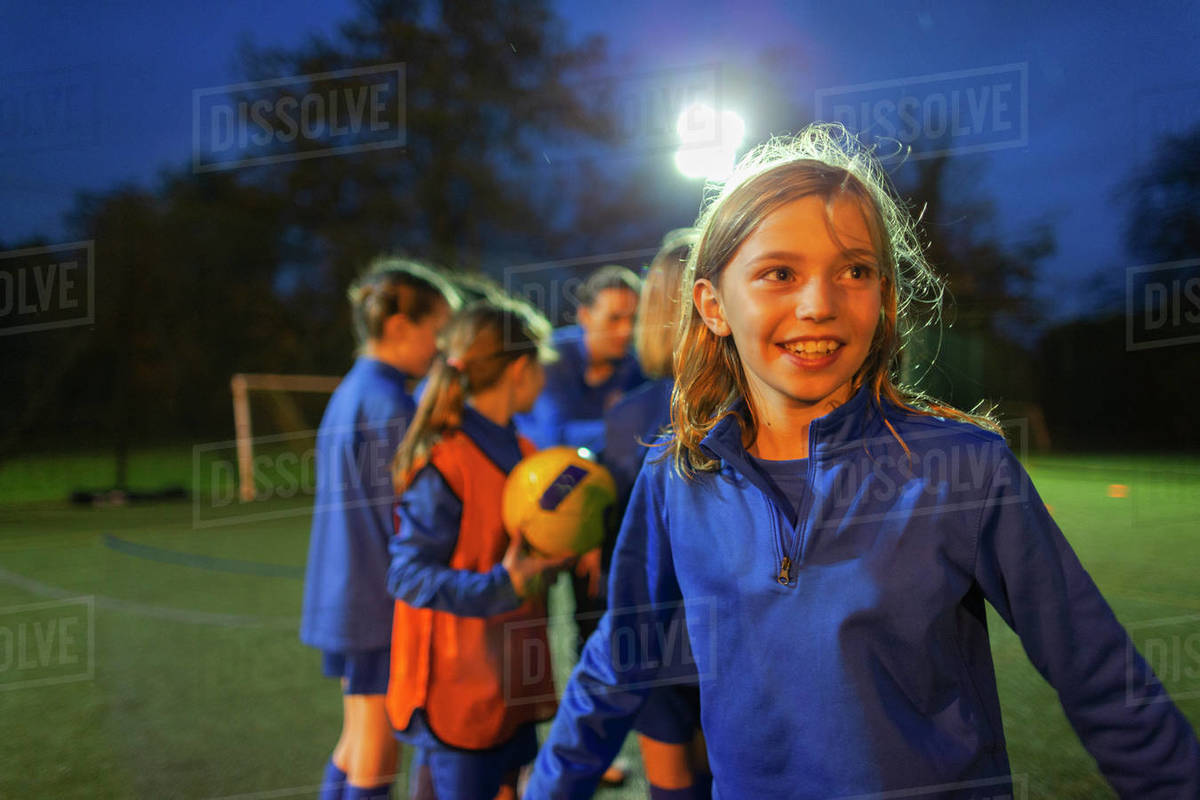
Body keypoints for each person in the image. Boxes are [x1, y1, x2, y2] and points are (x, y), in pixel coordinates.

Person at [524, 124, 1200, 798]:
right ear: (712, 304)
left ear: (884, 296)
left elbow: (1101, 677)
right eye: (778, 273)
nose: (819, 305)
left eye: (854, 270)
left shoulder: (962, 468)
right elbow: (619, 659)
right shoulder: (677, 476)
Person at [386, 298, 572, 800]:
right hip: (459, 690)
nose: (545, 379)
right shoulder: (446, 461)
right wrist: (499, 585)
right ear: (519, 369)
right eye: (542, 367)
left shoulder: (527, 455)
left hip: (507, 681)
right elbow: (406, 574)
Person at [300, 259, 458, 800]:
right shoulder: (392, 403)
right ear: (397, 329)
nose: (442, 348)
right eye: (437, 331)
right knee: (375, 745)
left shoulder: (351, 390)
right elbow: (407, 513)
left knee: (355, 736)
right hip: (375, 601)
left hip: (345, 593)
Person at [601, 229, 712, 800]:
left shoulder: (628, 415)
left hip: (653, 634)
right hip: (736, 630)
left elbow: (614, 546)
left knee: (672, 785)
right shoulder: (758, 405)